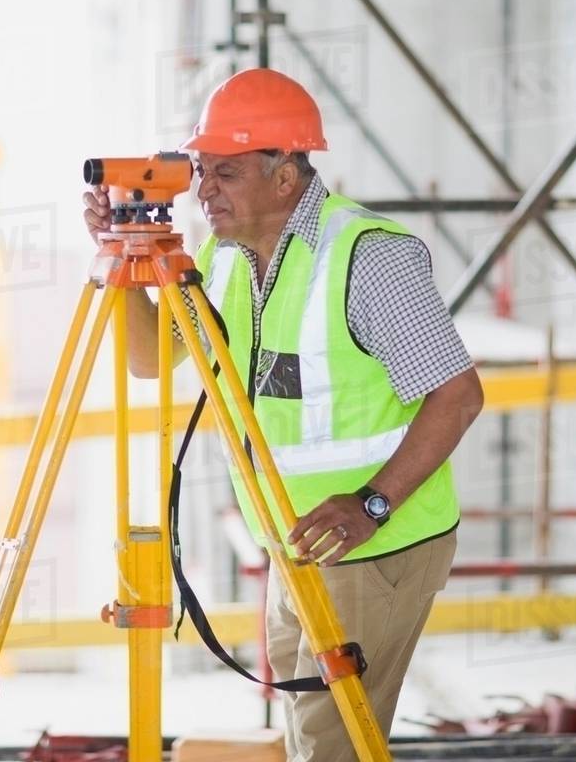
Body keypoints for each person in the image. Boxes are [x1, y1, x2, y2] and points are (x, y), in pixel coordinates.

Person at [83, 68, 484, 761]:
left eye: (226, 173)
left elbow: (458, 396)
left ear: (285, 176)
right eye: (202, 171)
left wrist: (372, 505)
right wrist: (123, 256)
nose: (205, 189)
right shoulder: (227, 259)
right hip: (295, 545)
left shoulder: (369, 257)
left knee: (334, 744)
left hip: (373, 546)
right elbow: (151, 360)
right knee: (308, 734)